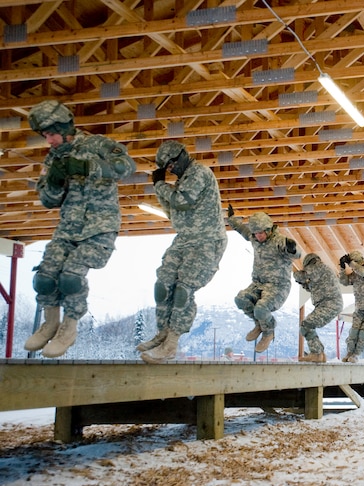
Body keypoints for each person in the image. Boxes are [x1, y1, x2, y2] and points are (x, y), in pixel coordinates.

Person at [24, 100, 137, 358]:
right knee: (44, 277)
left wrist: (87, 168)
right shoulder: (52, 158)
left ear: (63, 128)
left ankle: (69, 328)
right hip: (67, 229)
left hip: (99, 228)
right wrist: (54, 179)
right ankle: (50, 323)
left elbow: (126, 167)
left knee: (70, 278)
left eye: (51, 134)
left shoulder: (97, 145)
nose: (48, 141)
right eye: (45, 136)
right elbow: (48, 200)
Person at [137, 140, 227, 363]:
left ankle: (171, 344)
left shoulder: (199, 173)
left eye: (172, 164)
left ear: (183, 155)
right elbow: (172, 211)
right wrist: (162, 189)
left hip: (207, 241)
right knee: (163, 285)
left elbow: (182, 201)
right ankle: (162, 333)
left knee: (183, 290)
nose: (171, 170)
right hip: (185, 239)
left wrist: (159, 185)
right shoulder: (180, 182)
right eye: (167, 168)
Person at [225, 207, 300, 354]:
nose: (258, 236)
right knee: (241, 299)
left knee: (261, 308)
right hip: (258, 284)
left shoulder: (279, 241)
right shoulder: (254, 238)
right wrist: (232, 220)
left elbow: (296, 255)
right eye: (256, 233)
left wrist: (292, 249)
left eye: (260, 233)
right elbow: (243, 231)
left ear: (268, 229)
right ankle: (259, 324)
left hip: (278, 286)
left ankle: (268, 332)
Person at [293, 253, 343, 362]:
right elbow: (312, 288)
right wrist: (302, 283)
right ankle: (318, 354)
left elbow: (303, 275)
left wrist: (296, 275)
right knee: (306, 325)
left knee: (306, 325)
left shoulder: (318, 267)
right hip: (328, 304)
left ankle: (317, 353)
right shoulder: (321, 272)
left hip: (329, 304)